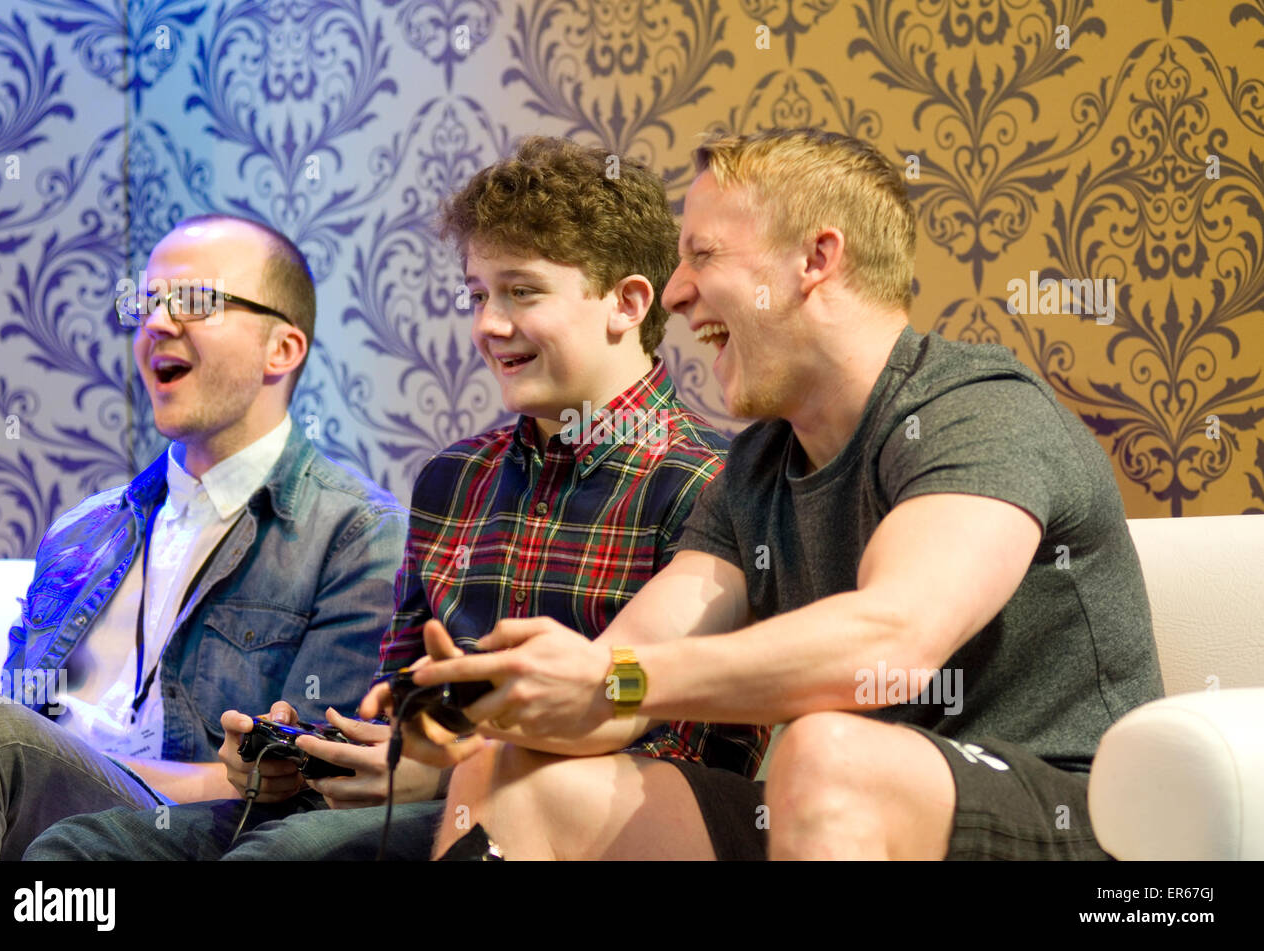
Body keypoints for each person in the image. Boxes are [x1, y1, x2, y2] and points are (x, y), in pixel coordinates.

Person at [394, 128, 1165, 861]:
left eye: (701, 254)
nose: (676, 291)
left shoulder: (977, 407)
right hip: (835, 802)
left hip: (1082, 815)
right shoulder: (758, 465)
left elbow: (891, 640)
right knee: (512, 775)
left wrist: (612, 678)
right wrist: (481, 706)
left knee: (828, 752)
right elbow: (627, 674)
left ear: (815, 258)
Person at [25, 137, 767, 861]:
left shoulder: (709, 479)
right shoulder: (456, 477)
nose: (488, 324)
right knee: (80, 845)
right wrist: (304, 749)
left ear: (627, 303)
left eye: (521, 291)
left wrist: (448, 763)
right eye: (478, 293)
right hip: (411, 801)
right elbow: (392, 696)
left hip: (595, 815)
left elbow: (673, 742)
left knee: (288, 854)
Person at [0, 214, 405, 860]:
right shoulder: (83, 531)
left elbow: (318, 789)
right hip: (22, 813)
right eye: (145, 303)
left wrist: (34, 754)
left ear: (281, 349)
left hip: (190, 834)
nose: (157, 322)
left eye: (194, 301)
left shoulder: (358, 537)